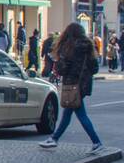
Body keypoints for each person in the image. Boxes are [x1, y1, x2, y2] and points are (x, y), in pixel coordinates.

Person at [40, 22, 104, 152]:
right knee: (68, 113)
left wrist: (57, 63)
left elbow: (63, 69)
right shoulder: (88, 47)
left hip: (72, 86)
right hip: (84, 85)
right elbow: (95, 68)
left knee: (80, 115)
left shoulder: (68, 48)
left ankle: (97, 142)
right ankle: (54, 138)